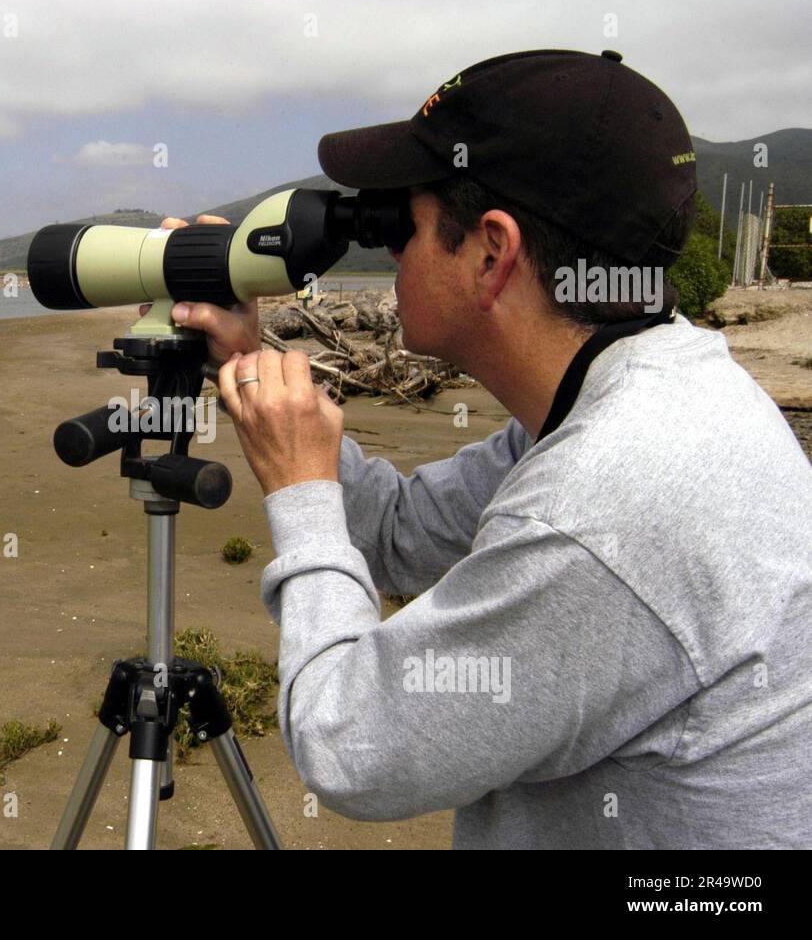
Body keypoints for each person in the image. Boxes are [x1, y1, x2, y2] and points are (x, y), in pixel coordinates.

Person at [154, 49, 812, 848]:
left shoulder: (607, 500)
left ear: (493, 252)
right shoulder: (632, 388)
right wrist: (247, 363)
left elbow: (349, 745)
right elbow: (399, 533)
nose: (390, 249)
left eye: (408, 223)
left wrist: (300, 494)